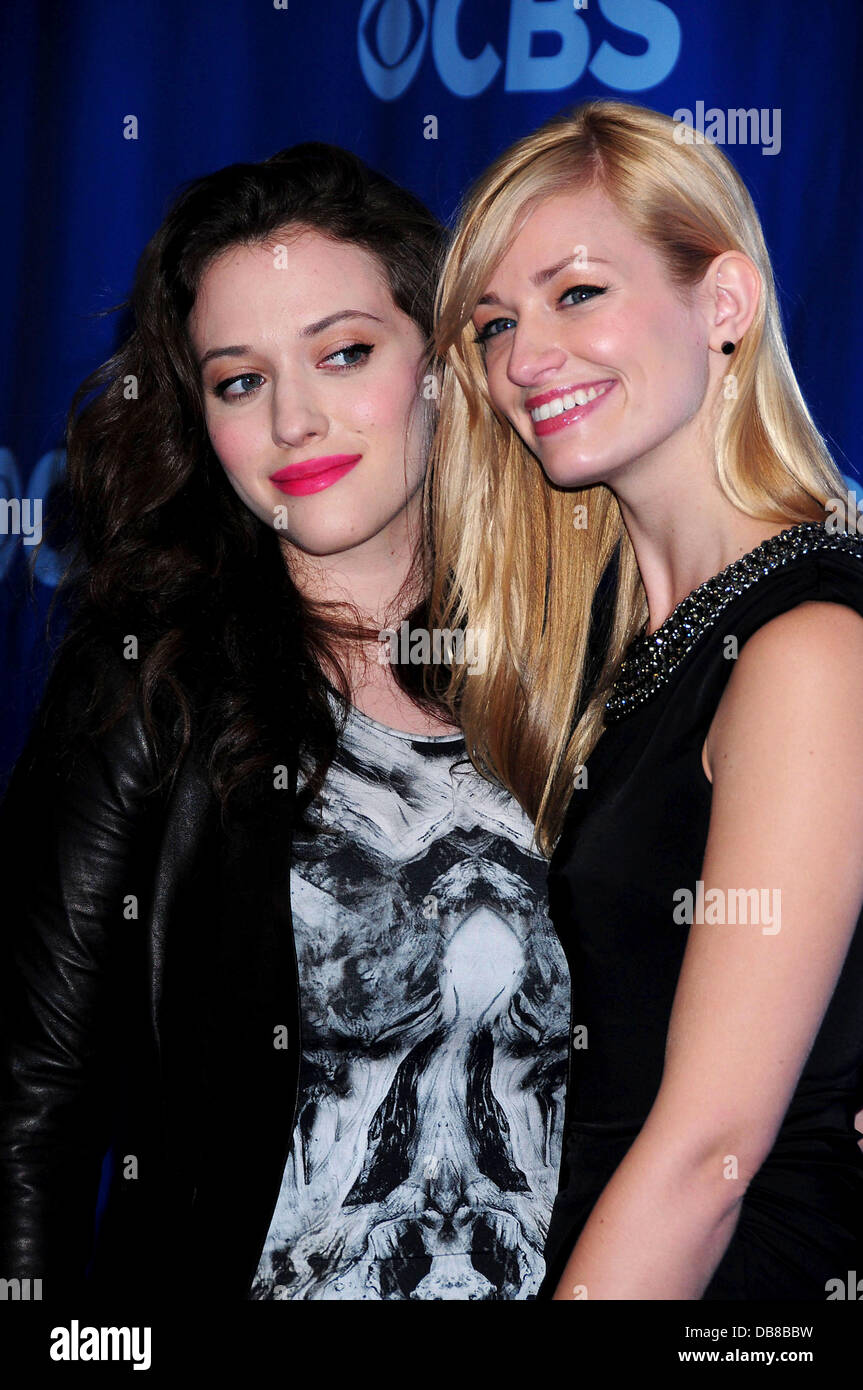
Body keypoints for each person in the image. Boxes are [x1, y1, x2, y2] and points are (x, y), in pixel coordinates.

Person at [0, 144, 570, 1302]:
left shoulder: (578, 662)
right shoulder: (149, 679)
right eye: (240, 380)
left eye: (344, 352)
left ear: (445, 361)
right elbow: (29, 1106)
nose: (295, 420)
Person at [428, 98, 863, 1300]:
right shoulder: (630, 652)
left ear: (721, 305)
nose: (522, 359)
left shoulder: (809, 644)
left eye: (576, 294)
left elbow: (709, 1153)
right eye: (495, 322)